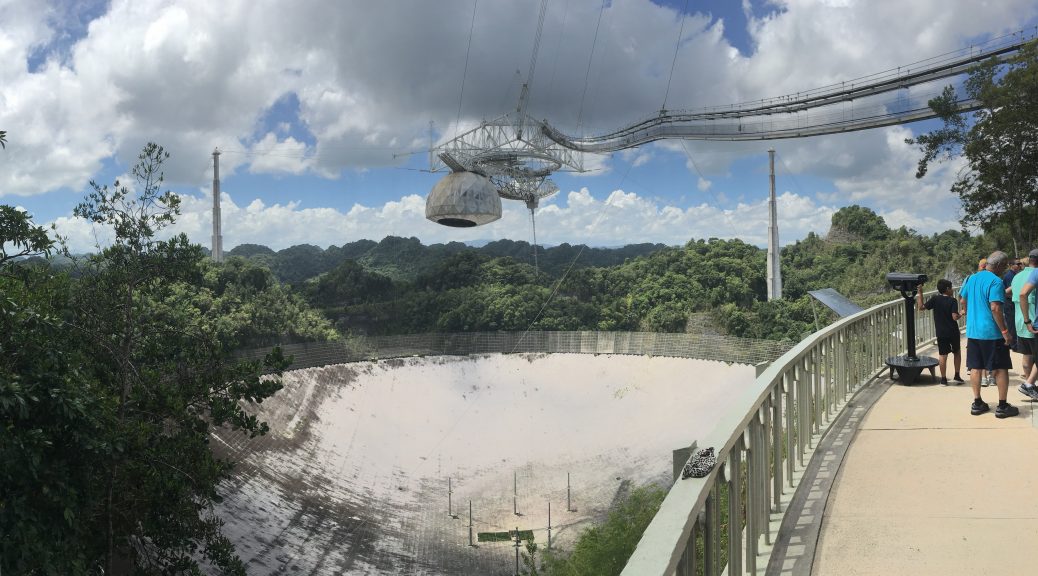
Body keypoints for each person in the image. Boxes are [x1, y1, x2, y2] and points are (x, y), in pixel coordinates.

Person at [959, 251, 1019, 417]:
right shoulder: (995, 281)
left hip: (973, 331)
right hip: (992, 333)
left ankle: (977, 403)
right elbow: (995, 308)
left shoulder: (972, 278)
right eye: (1004, 266)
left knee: (975, 367)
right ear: (999, 265)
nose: (1004, 269)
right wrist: (1005, 332)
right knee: (1001, 368)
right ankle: (1002, 406)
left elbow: (963, 300)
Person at [917, 278, 962, 385]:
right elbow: (954, 317)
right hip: (953, 331)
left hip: (941, 332)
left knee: (943, 355)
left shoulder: (935, 299)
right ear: (947, 289)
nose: (952, 290)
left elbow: (921, 307)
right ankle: (957, 375)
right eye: (951, 288)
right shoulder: (953, 301)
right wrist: (961, 314)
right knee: (956, 352)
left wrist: (920, 293)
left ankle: (943, 379)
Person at [1016, 249, 1038, 400]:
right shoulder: (1034, 273)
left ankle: (1029, 383)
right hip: (1031, 322)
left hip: (1022, 323)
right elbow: (1023, 294)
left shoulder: (1018, 276)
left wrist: (1026, 320)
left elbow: (1016, 293)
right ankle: (1029, 384)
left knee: (1028, 355)